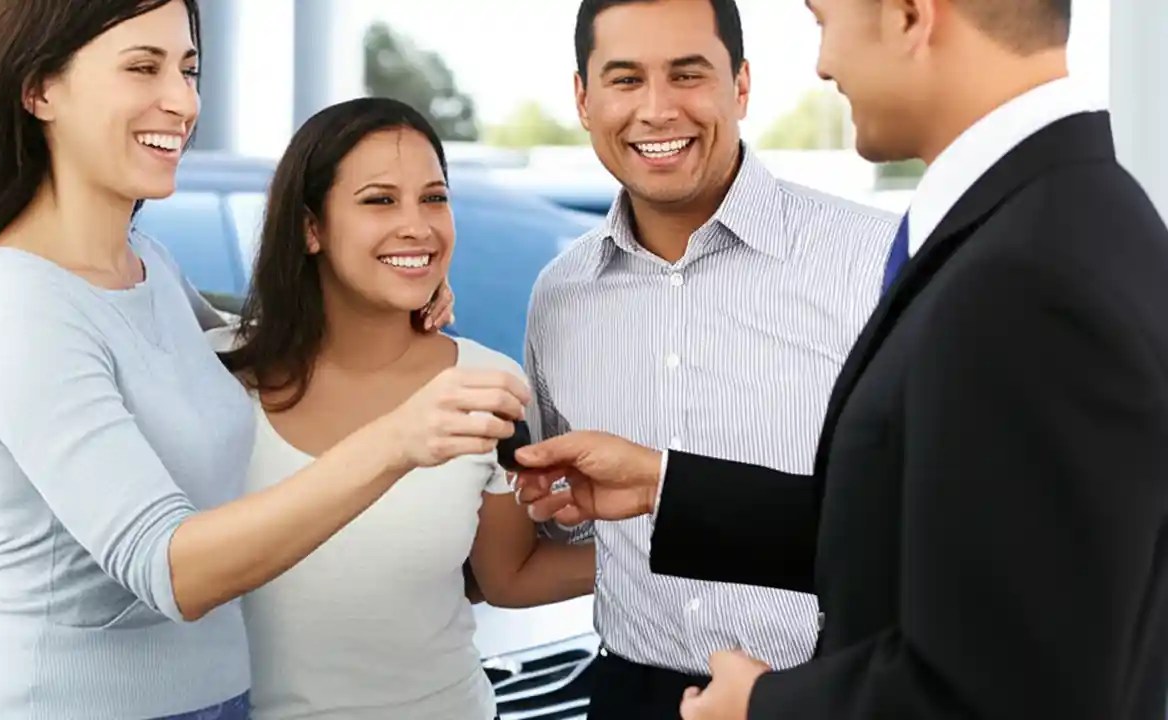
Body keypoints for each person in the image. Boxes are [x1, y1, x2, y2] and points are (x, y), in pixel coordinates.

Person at [517, 0, 1168, 717]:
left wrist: (764, 706)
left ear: (911, 15)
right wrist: (662, 486)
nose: (824, 64)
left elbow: (1017, 679)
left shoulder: (1028, 268)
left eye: (825, 19)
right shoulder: (1053, 223)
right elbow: (914, 533)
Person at [0, 1, 519, 718]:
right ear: (40, 89)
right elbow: (170, 569)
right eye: (143, 66)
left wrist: (389, 287)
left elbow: (266, 343)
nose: (181, 101)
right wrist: (398, 438)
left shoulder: (147, 266)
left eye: (189, 68)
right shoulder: (14, 304)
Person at [518, 0, 895, 716]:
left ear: (741, 86)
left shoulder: (873, 260)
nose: (657, 110)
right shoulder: (559, 296)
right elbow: (561, 527)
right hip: (629, 694)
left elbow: (921, 517)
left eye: (687, 75)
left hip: (824, 697)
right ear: (583, 99)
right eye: (625, 80)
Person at [206, 96, 596, 720]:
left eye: (434, 198)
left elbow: (509, 576)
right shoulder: (216, 376)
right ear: (311, 227)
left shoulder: (488, 382)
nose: (417, 224)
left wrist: (673, 544)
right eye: (379, 200)